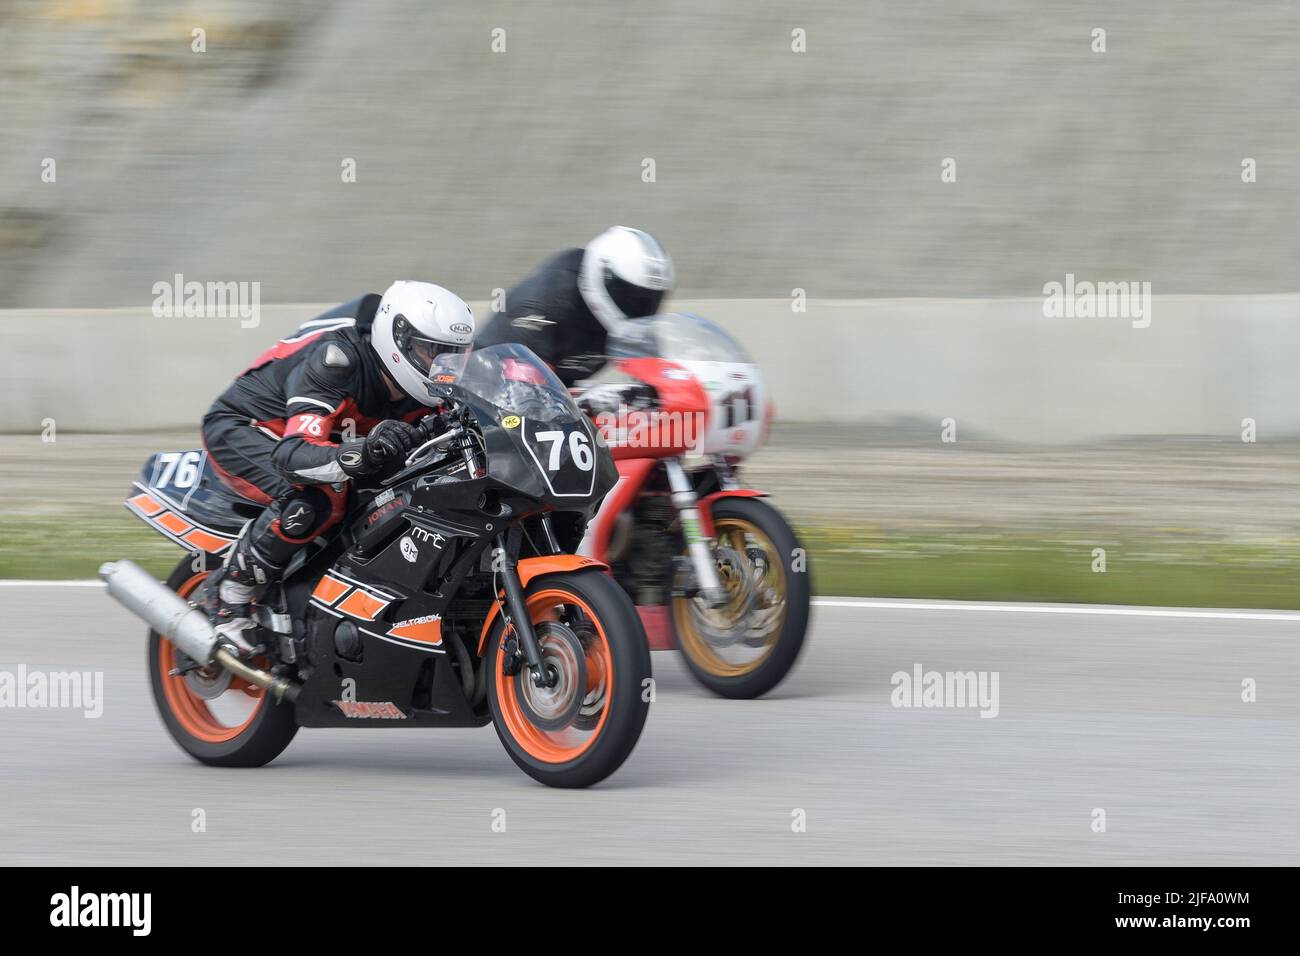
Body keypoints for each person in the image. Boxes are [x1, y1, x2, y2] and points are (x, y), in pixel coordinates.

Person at [200, 280, 475, 648]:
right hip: (248, 428)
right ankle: (230, 592)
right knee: (323, 496)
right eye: (433, 352)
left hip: (326, 443)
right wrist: (361, 454)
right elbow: (293, 455)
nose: (445, 366)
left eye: (455, 355)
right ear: (400, 341)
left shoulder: (438, 383)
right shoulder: (337, 361)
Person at [474, 226, 674, 386]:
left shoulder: (635, 320)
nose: (640, 309)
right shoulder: (545, 308)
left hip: (557, 387)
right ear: (603, 276)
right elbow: (520, 396)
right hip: (493, 381)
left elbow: (657, 378)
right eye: (632, 297)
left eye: (649, 299)